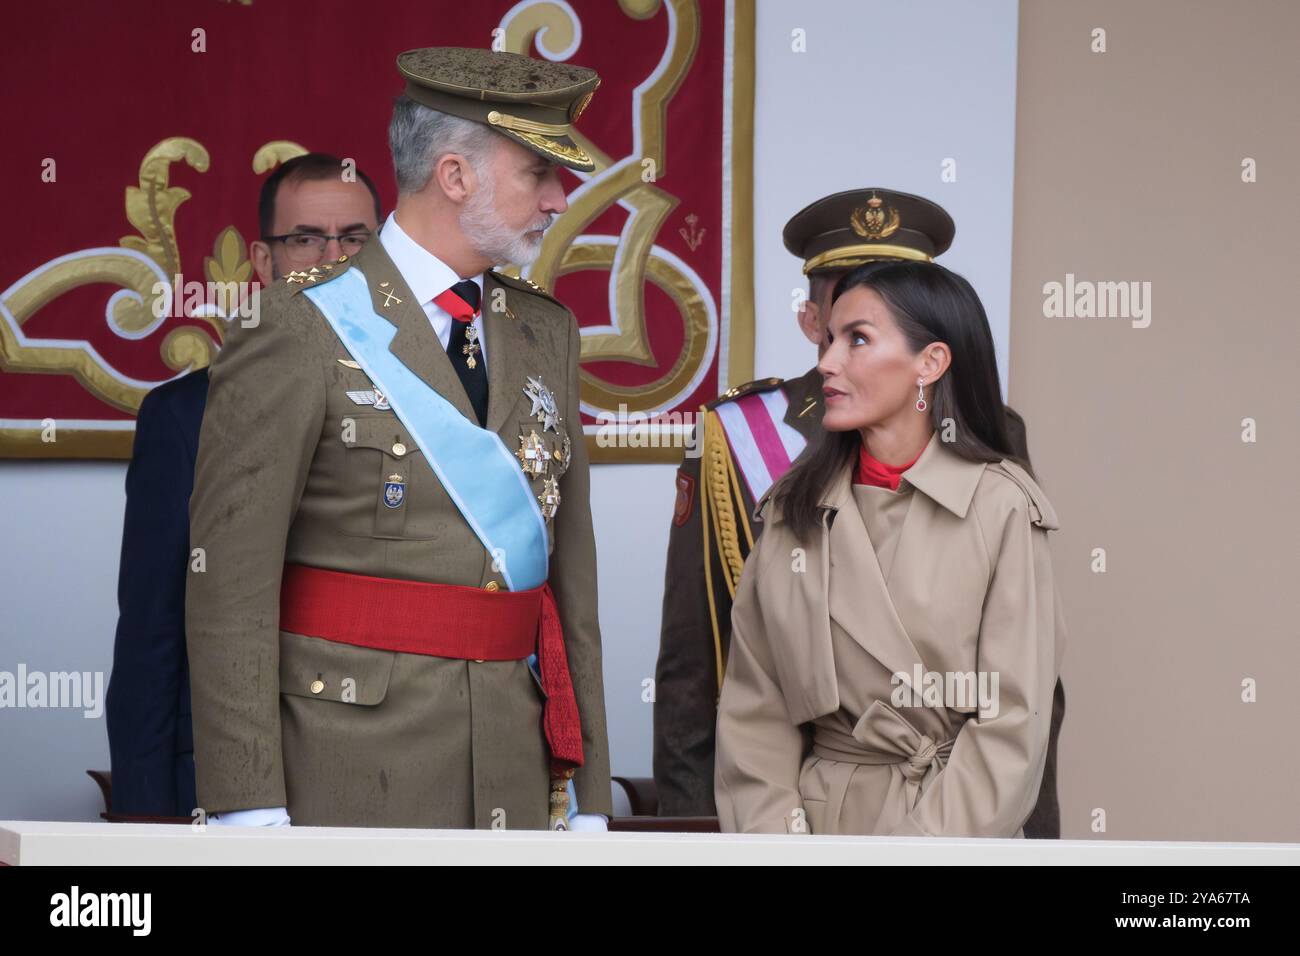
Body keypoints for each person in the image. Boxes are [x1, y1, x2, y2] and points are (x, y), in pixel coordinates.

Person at [185, 46, 612, 830]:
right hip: (347, 767)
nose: (559, 198)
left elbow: (569, 585)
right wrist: (249, 807)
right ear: (455, 177)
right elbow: (228, 587)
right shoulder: (298, 323)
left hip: (517, 770)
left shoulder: (546, 330)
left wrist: (588, 798)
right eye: (537, 174)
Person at [655, 188, 1065, 837]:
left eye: (860, 338)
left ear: (931, 361)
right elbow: (746, 706)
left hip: (955, 835)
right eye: (833, 333)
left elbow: (1020, 713)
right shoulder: (788, 502)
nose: (827, 364)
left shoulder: (1002, 502)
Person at [104, 153, 381, 818]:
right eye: (306, 239)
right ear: (263, 262)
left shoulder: (438, 412)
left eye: (356, 239)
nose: (333, 258)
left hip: (384, 776)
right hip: (228, 792)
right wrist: (145, 826)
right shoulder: (184, 419)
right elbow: (150, 641)